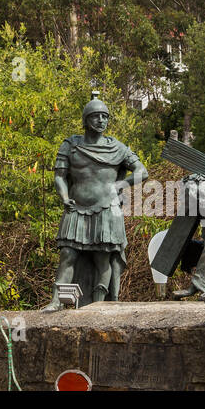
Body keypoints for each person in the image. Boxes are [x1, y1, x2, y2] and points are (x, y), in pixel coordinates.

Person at [44, 92, 146, 307]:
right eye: (96, 116)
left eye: (105, 117)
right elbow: (59, 176)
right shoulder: (70, 145)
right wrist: (64, 197)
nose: (101, 121)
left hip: (106, 209)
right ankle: (56, 301)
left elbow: (141, 171)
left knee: (103, 258)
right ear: (85, 120)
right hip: (77, 208)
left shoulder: (118, 147)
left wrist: (119, 186)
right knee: (67, 255)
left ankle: (100, 306)